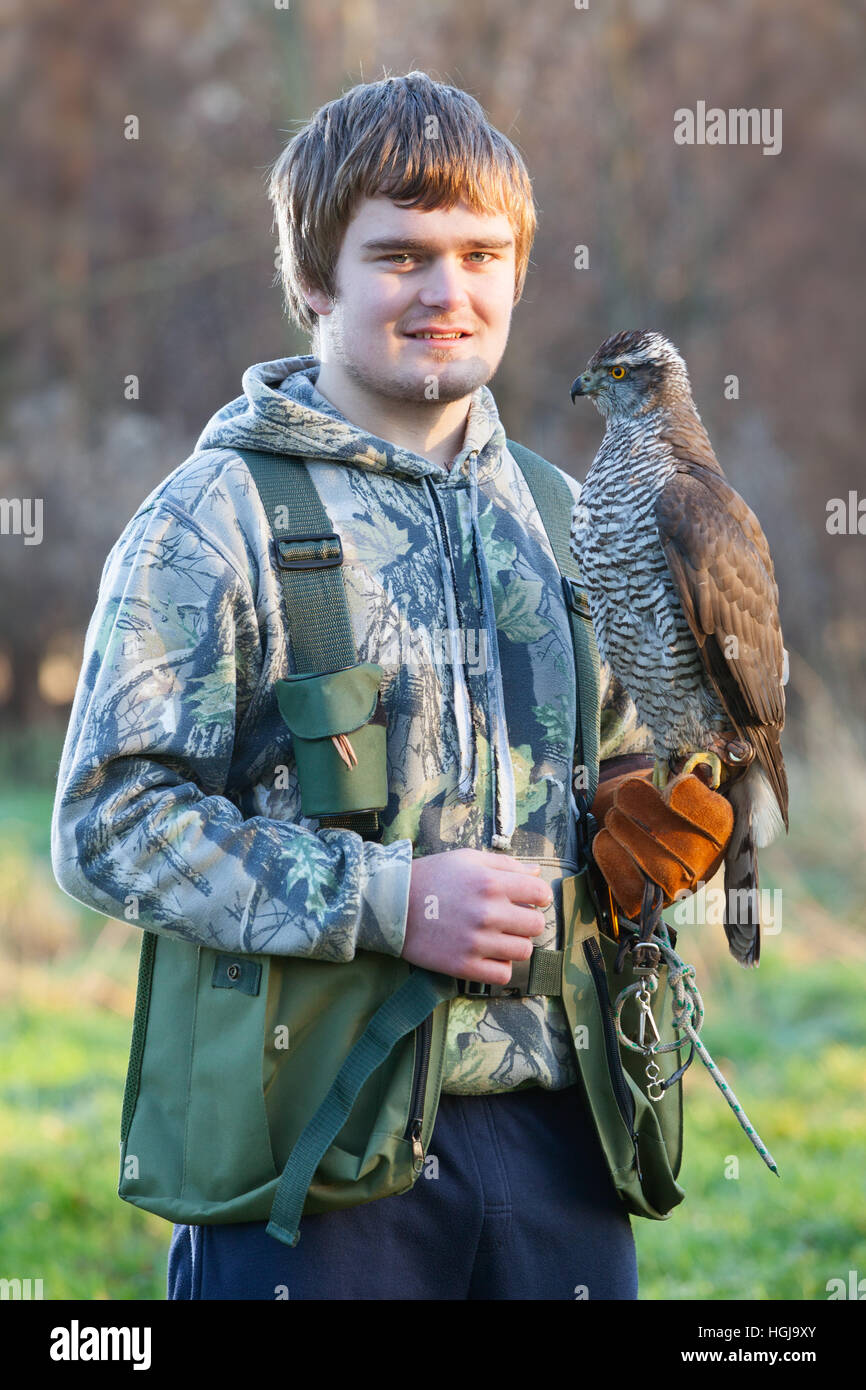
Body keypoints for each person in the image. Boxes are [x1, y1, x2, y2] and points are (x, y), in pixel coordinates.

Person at [51, 70, 732, 1301]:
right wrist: (386, 899)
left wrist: (651, 812)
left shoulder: (574, 515)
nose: (447, 291)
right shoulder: (213, 521)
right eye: (400, 255)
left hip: (559, 1149)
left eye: (480, 253)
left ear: (520, 271)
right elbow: (104, 822)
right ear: (314, 280)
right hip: (311, 1168)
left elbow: (628, 752)